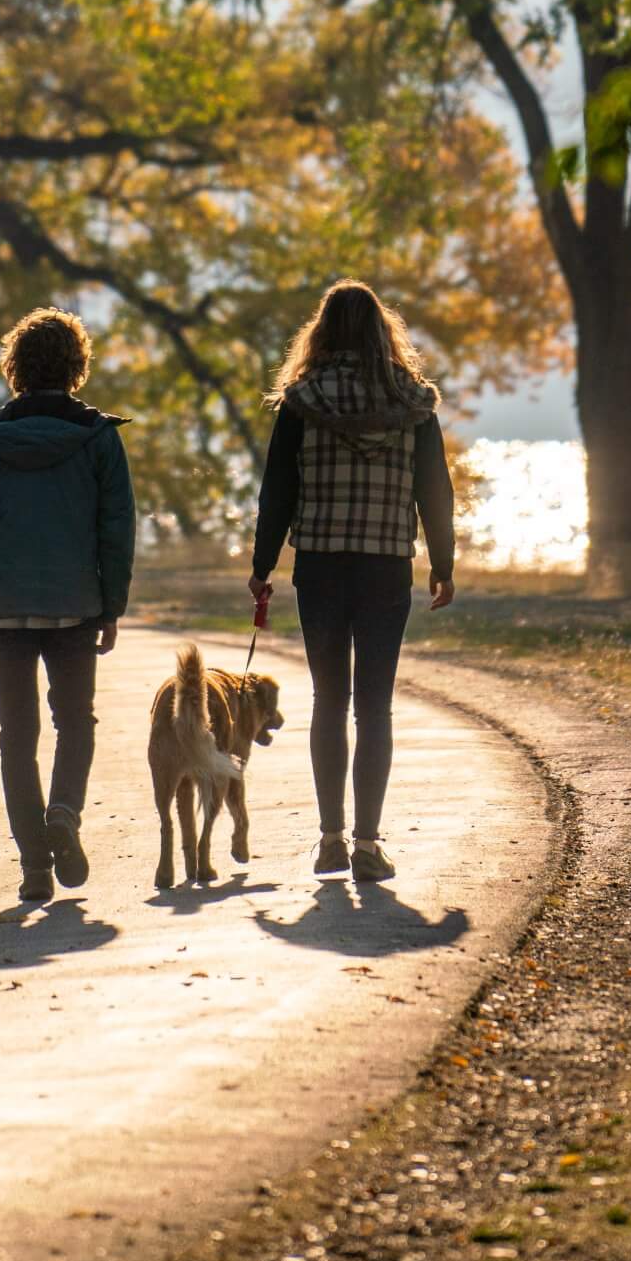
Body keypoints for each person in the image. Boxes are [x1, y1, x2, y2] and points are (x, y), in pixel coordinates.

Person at [247, 279, 455, 883]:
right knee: (375, 706)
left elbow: (277, 493)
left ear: (323, 331)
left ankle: (330, 841)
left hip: (321, 566)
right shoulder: (413, 402)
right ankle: (368, 845)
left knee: (329, 701)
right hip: (386, 565)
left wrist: (263, 567)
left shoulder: (302, 400)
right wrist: (442, 565)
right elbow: (434, 492)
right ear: (380, 332)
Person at [0, 307, 136, 904]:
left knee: (17, 733)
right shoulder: (99, 438)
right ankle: (65, 815)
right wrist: (112, 608)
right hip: (76, 605)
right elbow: (116, 528)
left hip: (5, 608)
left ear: (16, 369)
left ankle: (33, 865)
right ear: (77, 367)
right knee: (75, 721)